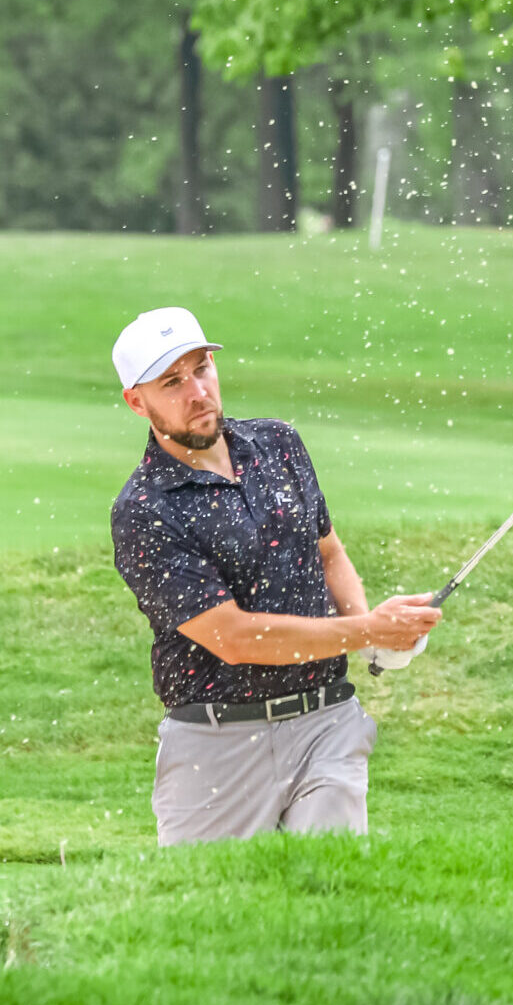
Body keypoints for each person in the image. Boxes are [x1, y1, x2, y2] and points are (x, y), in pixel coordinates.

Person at [108, 306, 442, 844]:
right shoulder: (144, 510)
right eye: (171, 382)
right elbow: (234, 638)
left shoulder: (278, 445)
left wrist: (373, 634)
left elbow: (328, 552)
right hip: (216, 745)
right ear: (136, 401)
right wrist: (370, 630)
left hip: (326, 722)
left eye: (201, 369)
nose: (196, 391)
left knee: (331, 899)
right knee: (208, 916)